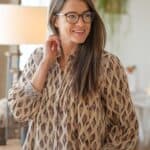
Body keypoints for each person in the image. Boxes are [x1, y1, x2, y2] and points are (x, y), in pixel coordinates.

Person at [8, 0, 139, 149]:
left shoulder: (107, 65)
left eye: (86, 16)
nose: (81, 24)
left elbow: (126, 129)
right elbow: (19, 111)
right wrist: (45, 64)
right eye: (72, 16)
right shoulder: (38, 58)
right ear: (55, 20)